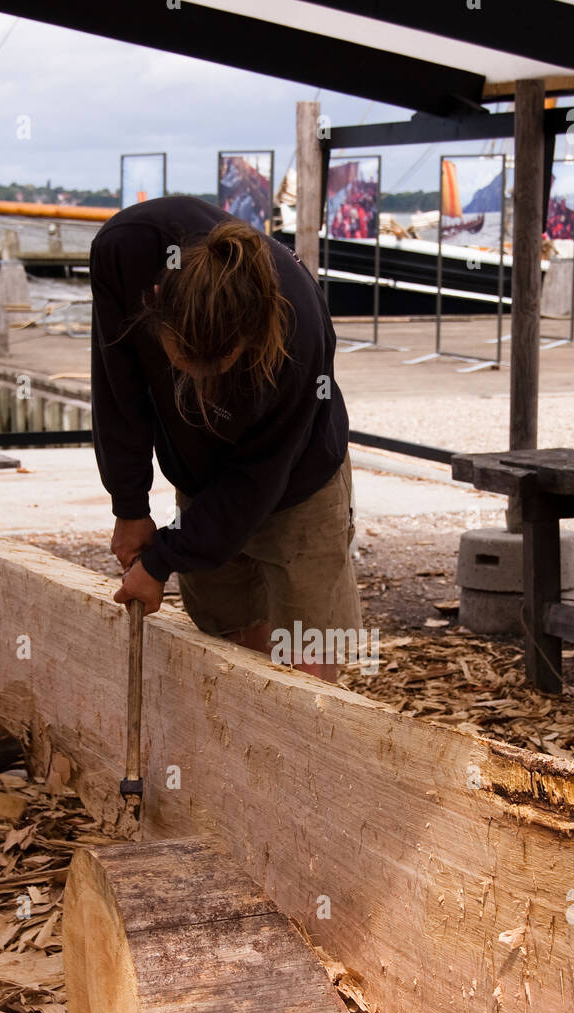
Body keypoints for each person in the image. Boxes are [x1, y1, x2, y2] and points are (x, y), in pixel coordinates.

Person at [90, 195, 362, 682]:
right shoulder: (124, 252)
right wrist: (128, 506)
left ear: (252, 335)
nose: (203, 391)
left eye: (217, 372)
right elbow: (117, 391)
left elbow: (253, 484)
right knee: (230, 641)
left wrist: (160, 561)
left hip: (298, 477)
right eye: (183, 367)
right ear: (157, 308)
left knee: (308, 651)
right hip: (199, 472)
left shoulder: (300, 332)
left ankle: (306, 753)